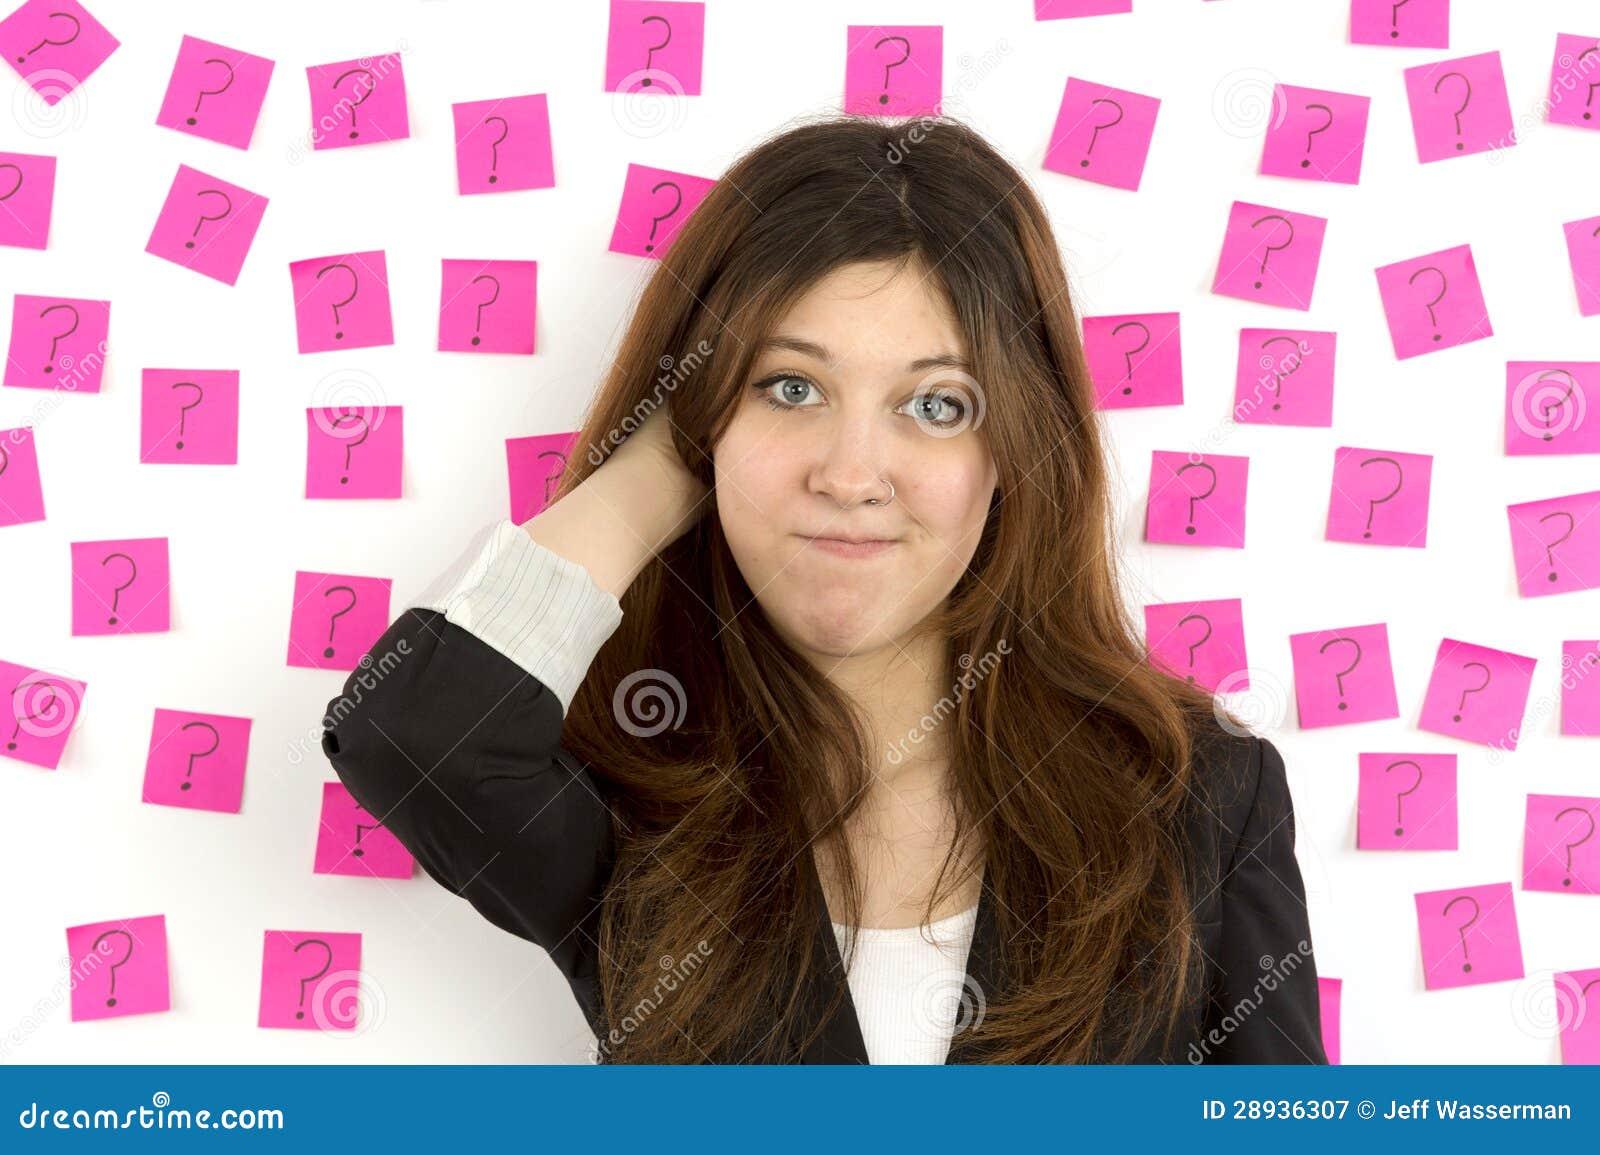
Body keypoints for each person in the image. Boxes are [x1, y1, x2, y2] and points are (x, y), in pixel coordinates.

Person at [320, 114, 1328, 1064]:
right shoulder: (629, 797)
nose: (850, 475)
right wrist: (666, 461)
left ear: (1014, 447)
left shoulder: (1199, 800)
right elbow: (410, 732)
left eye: (935, 404)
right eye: (789, 387)